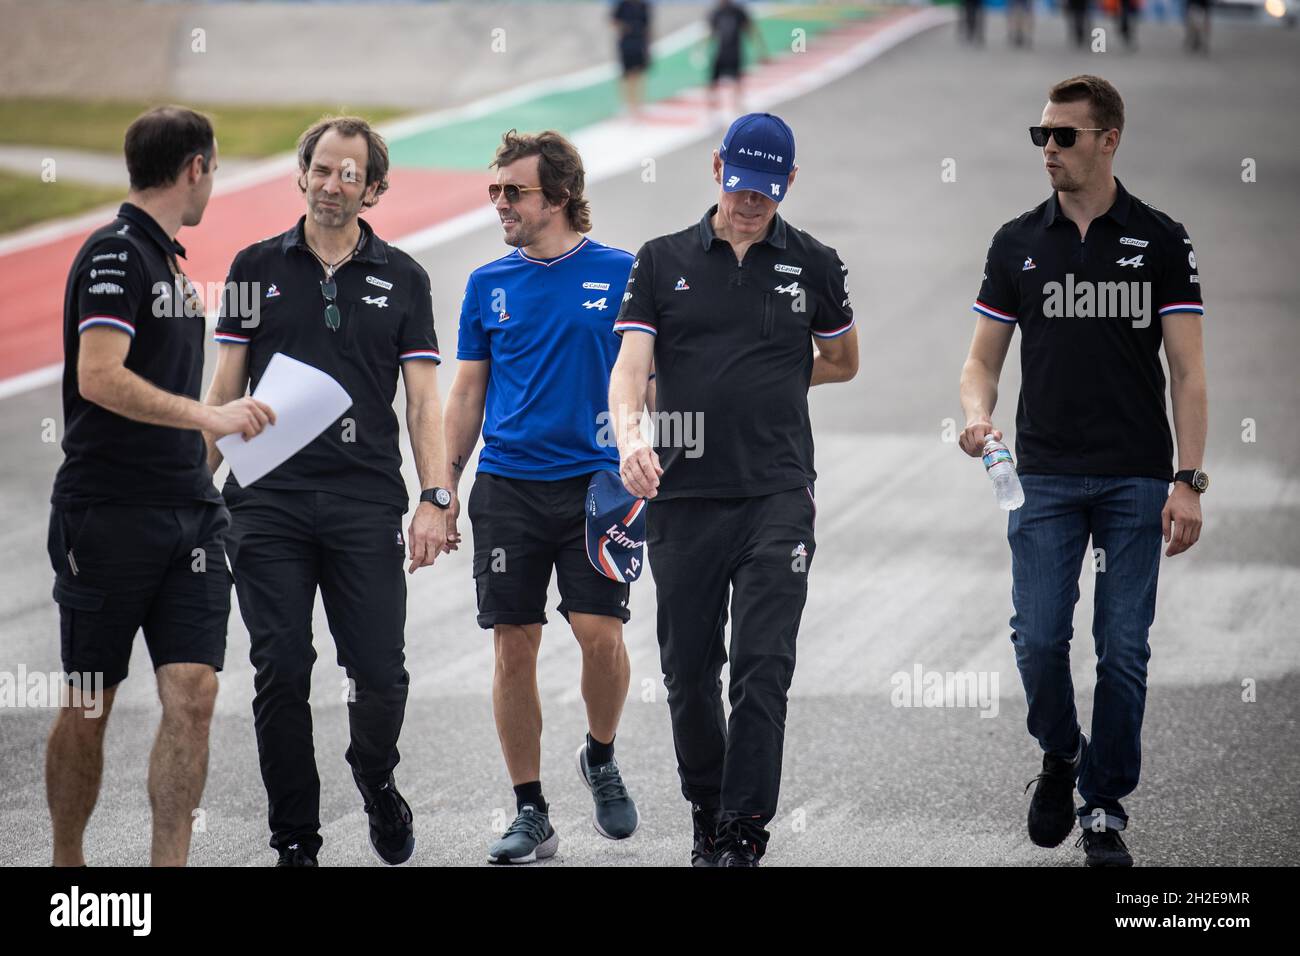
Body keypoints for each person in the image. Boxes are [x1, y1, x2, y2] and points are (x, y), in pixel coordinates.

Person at [959, 75, 1208, 867]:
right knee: (1037, 639)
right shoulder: (1015, 241)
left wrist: (1189, 478)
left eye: (1064, 136)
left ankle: (1104, 805)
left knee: (1124, 648)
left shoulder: (1161, 240)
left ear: (1109, 140)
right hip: (1044, 477)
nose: (1049, 151)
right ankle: (1062, 753)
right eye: (1042, 136)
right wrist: (975, 416)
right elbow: (980, 361)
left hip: (1138, 475)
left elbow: (1189, 373)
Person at [609, 112, 858, 866]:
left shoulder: (814, 262)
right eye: (741, 187)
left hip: (778, 493)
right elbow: (630, 367)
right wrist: (630, 439)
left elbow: (842, 360)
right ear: (718, 168)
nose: (751, 203)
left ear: (788, 185)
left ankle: (745, 828)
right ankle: (707, 807)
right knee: (688, 670)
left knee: (761, 666)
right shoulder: (660, 260)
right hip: (683, 495)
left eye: (766, 192)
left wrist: (779, 377)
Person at [204, 116, 450, 867]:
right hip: (267, 504)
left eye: (351, 174)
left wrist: (435, 497)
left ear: (373, 189)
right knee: (281, 667)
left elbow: (424, 402)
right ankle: (295, 840)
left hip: (364, 502)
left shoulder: (404, 278)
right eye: (323, 169)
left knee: (378, 670)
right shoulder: (253, 267)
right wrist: (189, 487)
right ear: (301, 174)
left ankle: (375, 779)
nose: (333, 184)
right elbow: (223, 387)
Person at [46, 106, 274, 867]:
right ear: (195, 168)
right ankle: (67, 865)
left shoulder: (171, 260)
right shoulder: (116, 254)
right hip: (108, 514)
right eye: (215, 170)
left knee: (195, 695)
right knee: (90, 699)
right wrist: (208, 413)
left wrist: (218, 437)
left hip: (191, 513)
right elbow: (99, 377)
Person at [443, 129, 642, 865]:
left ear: (558, 195)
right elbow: (466, 391)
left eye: (513, 192)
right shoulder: (486, 283)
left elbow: (650, 380)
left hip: (600, 487)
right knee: (513, 646)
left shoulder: (625, 273)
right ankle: (531, 812)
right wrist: (443, 489)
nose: (500, 204)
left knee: (600, 636)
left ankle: (601, 753)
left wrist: (654, 455)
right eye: (493, 191)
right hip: (508, 488)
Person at [706, 0, 767, 116]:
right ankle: (713, 110)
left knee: (737, 81)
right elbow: (712, 33)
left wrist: (760, 50)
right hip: (721, 52)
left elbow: (750, 29)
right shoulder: (716, 13)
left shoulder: (737, 12)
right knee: (713, 81)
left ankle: (738, 108)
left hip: (734, 52)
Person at [612, 0, 652, 117]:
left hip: (639, 43)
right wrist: (624, 28)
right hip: (626, 44)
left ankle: (639, 103)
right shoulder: (623, 5)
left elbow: (648, 27)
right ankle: (627, 104)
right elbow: (613, 21)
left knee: (639, 74)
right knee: (626, 75)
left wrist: (648, 45)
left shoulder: (643, 6)